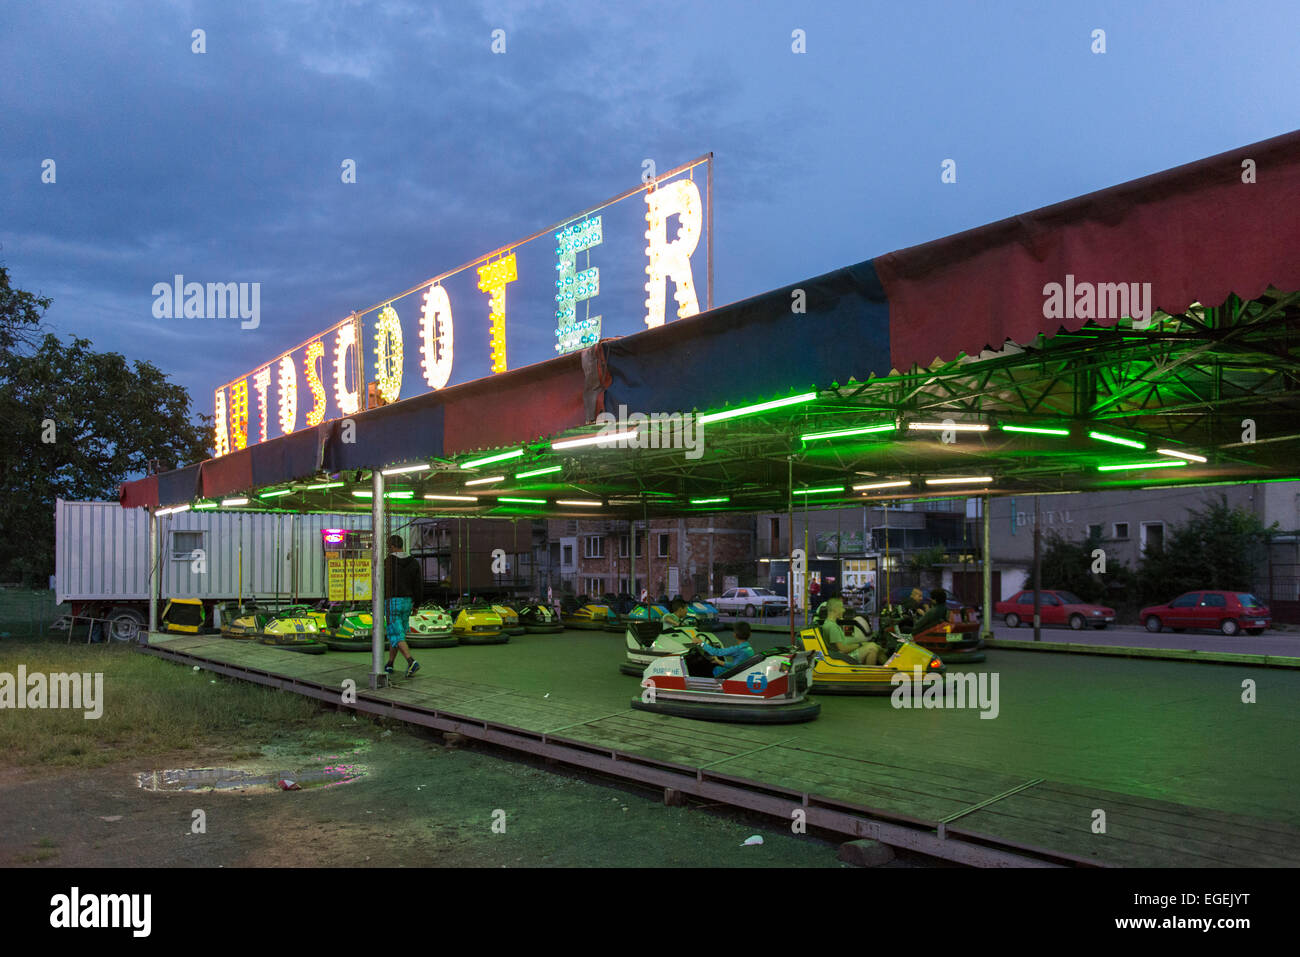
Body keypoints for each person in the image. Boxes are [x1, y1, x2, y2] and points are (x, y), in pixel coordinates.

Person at [383, 534, 422, 678]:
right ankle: (390, 663)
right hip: (407, 602)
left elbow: (382, 584)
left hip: (393, 601)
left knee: (395, 633)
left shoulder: (387, 562)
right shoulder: (413, 562)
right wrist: (416, 604)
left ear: (392, 547)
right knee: (399, 633)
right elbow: (418, 585)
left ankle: (411, 661)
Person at [820, 596, 885, 665]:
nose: (844, 610)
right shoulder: (832, 627)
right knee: (872, 648)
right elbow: (843, 649)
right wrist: (860, 644)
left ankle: (888, 669)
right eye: (841, 607)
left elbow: (844, 643)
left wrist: (861, 644)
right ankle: (870, 674)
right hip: (843, 658)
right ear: (835, 609)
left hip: (840, 655)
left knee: (875, 646)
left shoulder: (829, 623)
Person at [691, 621, 755, 677]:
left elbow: (716, 652)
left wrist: (701, 643)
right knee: (718, 667)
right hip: (741, 672)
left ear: (735, 634)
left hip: (735, 675)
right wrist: (718, 661)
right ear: (750, 634)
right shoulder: (749, 649)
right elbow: (735, 666)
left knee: (715, 669)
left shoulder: (737, 649)